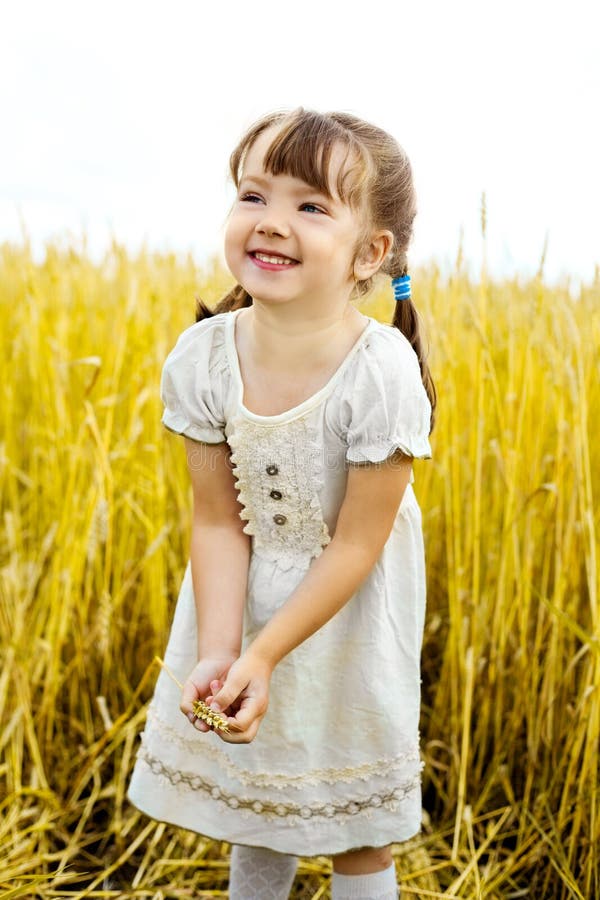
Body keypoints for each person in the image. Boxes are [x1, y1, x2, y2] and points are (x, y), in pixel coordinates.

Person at [127, 106, 437, 900]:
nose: (270, 223)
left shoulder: (382, 373)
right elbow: (217, 519)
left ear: (371, 252)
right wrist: (225, 650)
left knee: (354, 830)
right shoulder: (203, 359)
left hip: (348, 616)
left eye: (310, 206)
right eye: (253, 195)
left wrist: (268, 655)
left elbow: (356, 547)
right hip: (241, 601)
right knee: (257, 813)